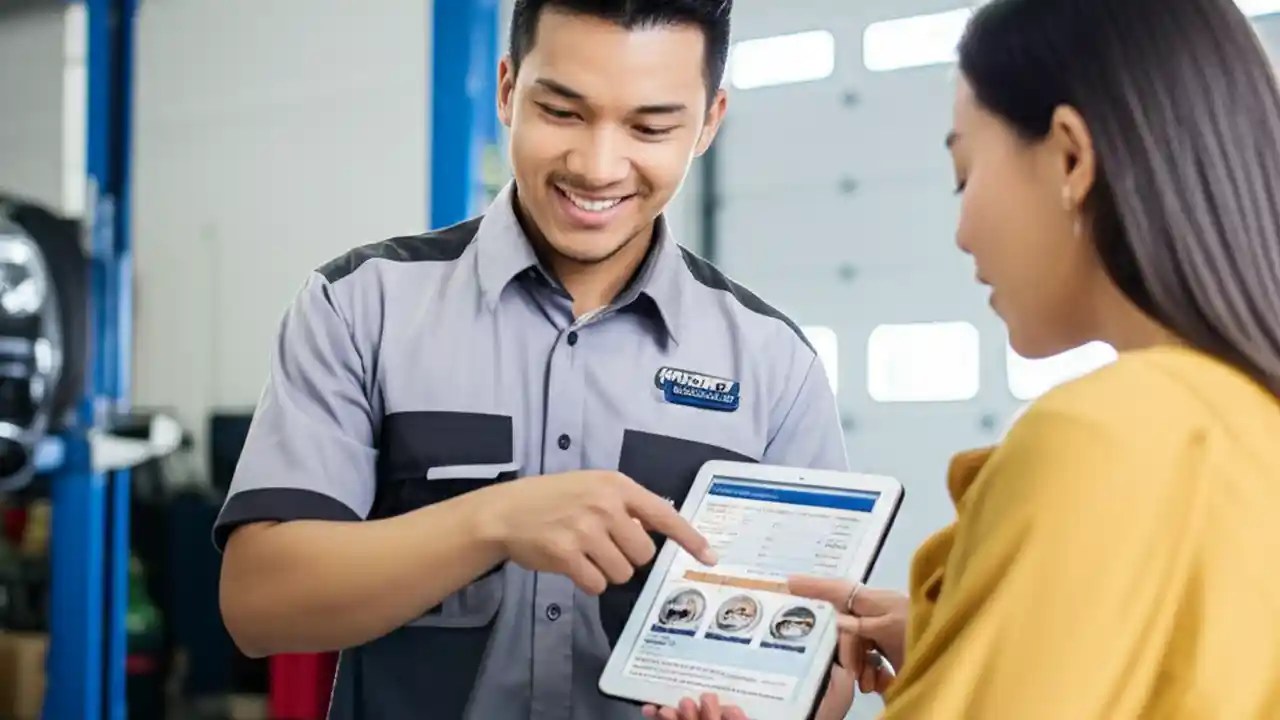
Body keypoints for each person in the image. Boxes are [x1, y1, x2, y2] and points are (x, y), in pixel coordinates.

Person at [215, 1, 848, 719]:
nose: (598, 167)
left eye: (649, 127)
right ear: (509, 89)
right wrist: (493, 521)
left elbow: (822, 664)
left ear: (708, 121)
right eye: (564, 113)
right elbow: (258, 605)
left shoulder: (775, 365)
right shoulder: (360, 308)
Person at [648, 0, 1280, 717]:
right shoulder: (1249, 422)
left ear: (1070, 157)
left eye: (964, 173)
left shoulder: (1103, 433)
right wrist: (976, 639)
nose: (962, 231)